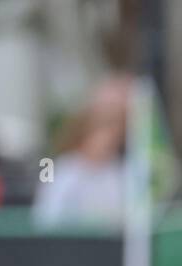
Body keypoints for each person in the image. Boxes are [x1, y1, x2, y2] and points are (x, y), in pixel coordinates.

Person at [32, 75, 130, 229]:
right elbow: (46, 216)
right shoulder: (63, 169)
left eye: (114, 130)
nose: (107, 139)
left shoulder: (121, 173)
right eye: (101, 129)